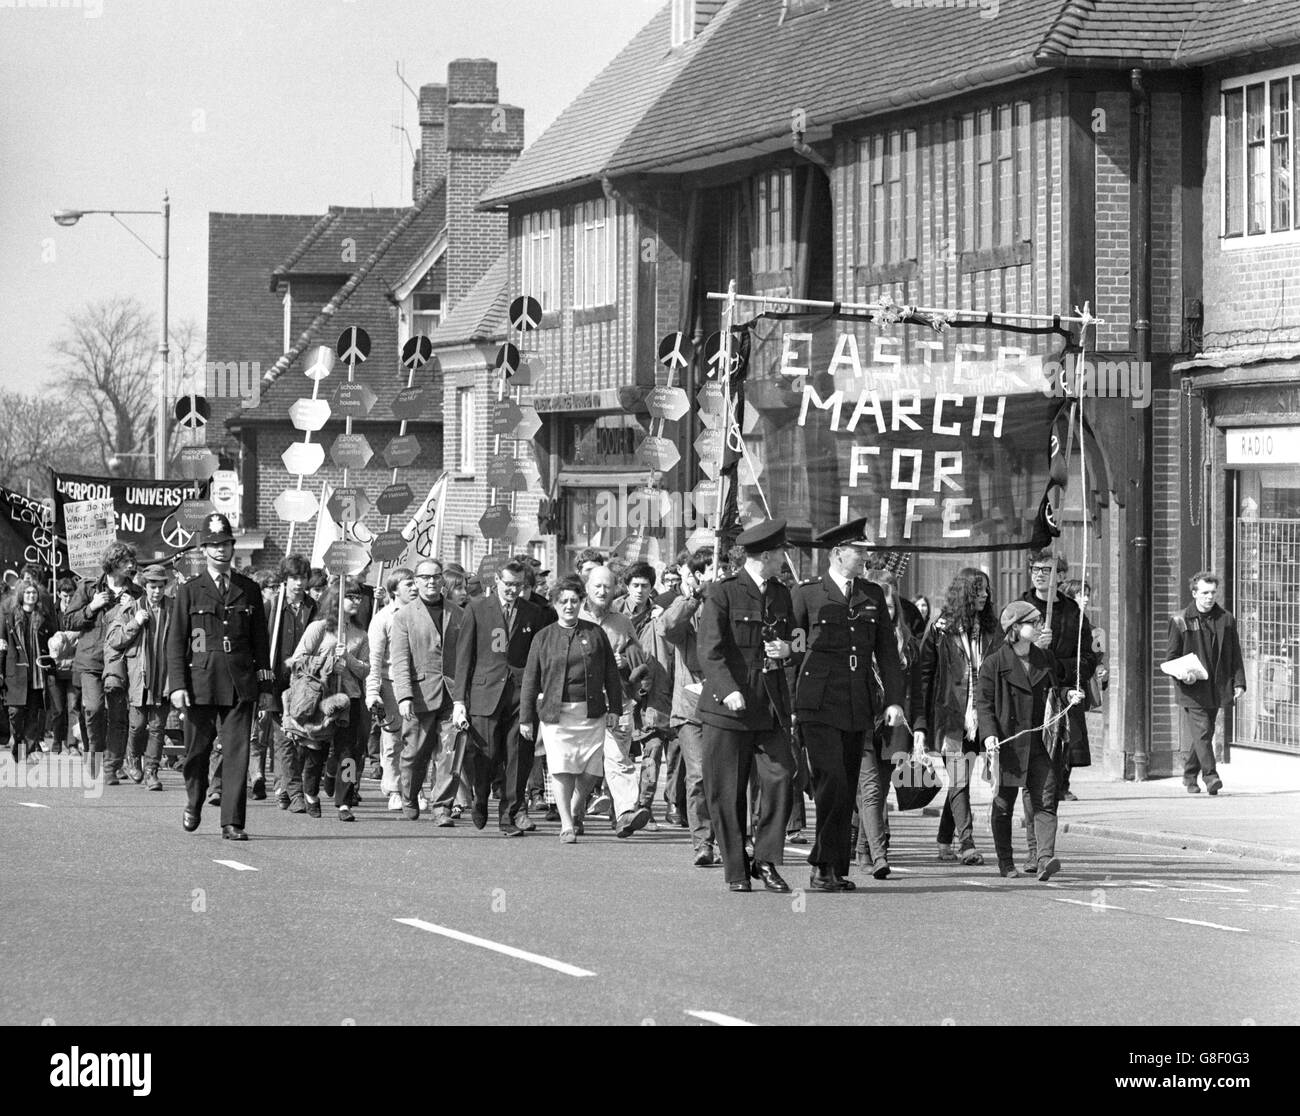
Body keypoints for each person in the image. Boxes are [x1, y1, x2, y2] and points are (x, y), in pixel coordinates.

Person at [791, 519, 905, 892]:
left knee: (847, 786)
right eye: (860, 551)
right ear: (839, 554)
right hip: (817, 704)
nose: (866, 557)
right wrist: (789, 702)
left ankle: (834, 868)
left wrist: (893, 701)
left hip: (857, 704)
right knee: (832, 783)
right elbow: (792, 653)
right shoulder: (806, 595)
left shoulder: (871, 595)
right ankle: (822, 862)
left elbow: (887, 653)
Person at [696, 518, 797, 894]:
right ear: (766, 556)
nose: (785, 559)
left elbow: (792, 639)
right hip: (729, 707)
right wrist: (727, 689)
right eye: (781, 553)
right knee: (727, 790)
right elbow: (710, 650)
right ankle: (737, 867)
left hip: (768, 704)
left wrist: (788, 649)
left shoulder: (781, 594)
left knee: (781, 776)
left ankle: (767, 859)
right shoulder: (723, 592)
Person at [167, 514, 273, 839]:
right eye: (214, 545)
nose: (221, 551)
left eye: (225, 544)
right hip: (200, 683)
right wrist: (177, 686)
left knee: (237, 753)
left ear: (232, 546)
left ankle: (232, 822)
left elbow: (260, 643)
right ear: (204, 550)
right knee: (197, 752)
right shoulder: (189, 591)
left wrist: (266, 687)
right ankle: (194, 801)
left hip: (240, 684)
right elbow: (176, 641)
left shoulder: (249, 589)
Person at [977, 600, 1085, 880]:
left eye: (1039, 622)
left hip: (1040, 742)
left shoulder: (1044, 658)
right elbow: (984, 704)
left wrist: (1067, 695)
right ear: (1015, 628)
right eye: (1033, 623)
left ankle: (1045, 857)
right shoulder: (994, 663)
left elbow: (1054, 691)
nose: (1040, 627)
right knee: (1003, 805)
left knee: (1046, 799)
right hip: (1007, 744)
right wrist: (989, 736)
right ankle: (1005, 862)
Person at [520, 576, 624, 843]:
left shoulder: (595, 633)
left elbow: (611, 674)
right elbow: (530, 679)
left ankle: (577, 808)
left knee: (592, 771)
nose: (569, 606)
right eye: (563, 601)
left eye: (574, 601)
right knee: (561, 768)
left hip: (591, 713)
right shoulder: (543, 637)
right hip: (556, 715)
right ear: (555, 604)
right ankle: (567, 823)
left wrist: (615, 708)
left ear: (581, 603)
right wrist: (526, 719)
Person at [452, 560, 548, 836]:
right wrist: (460, 701)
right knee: (486, 754)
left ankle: (509, 814)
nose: (513, 590)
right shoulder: (477, 609)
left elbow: (538, 657)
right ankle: (480, 796)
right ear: (496, 581)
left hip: (520, 695)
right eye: (508, 584)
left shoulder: (534, 613)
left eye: (519, 586)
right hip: (485, 693)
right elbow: (464, 658)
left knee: (519, 754)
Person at [913, 567, 998, 866]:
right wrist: (920, 723)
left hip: (981, 715)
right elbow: (924, 675)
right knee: (960, 779)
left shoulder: (992, 629)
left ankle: (942, 840)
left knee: (958, 780)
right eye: (978, 590)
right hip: (951, 716)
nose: (985, 596)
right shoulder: (941, 629)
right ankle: (967, 843)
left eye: (986, 590)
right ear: (965, 593)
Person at [286, 576, 371, 821]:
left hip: (350, 698)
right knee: (317, 749)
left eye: (358, 597)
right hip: (322, 698)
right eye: (351, 596)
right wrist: (327, 664)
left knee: (349, 751)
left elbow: (366, 669)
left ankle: (344, 801)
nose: (356, 601)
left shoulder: (360, 634)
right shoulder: (319, 628)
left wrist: (350, 662)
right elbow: (297, 660)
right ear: (337, 598)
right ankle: (311, 792)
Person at [856, 567, 921, 875]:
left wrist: (919, 729)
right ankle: (880, 856)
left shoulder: (907, 644)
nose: (886, 611)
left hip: (894, 728)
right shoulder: (859, 641)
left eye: (891, 606)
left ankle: (862, 850)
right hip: (863, 722)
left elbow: (916, 691)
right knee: (869, 790)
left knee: (880, 791)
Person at [582, 565, 652, 838]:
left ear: (615, 590)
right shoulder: (573, 615)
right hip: (579, 702)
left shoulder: (622, 623)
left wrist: (624, 663)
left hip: (616, 700)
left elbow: (639, 660)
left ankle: (625, 813)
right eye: (597, 586)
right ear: (587, 587)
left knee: (618, 758)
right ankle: (573, 812)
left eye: (607, 586)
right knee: (582, 764)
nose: (602, 591)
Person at [390, 559, 462, 823]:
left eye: (435, 577)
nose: (431, 582)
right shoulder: (404, 616)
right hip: (420, 693)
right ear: (417, 581)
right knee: (414, 753)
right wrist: (404, 696)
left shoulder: (458, 613)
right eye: (425, 578)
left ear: (442, 580)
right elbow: (399, 659)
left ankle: (442, 807)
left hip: (452, 694)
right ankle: (409, 795)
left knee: (451, 752)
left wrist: (464, 696)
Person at [659, 547, 718, 865]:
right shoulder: (687, 605)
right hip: (690, 709)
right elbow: (668, 628)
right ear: (696, 575)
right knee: (697, 774)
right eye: (708, 570)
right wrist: (694, 595)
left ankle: (732, 838)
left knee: (725, 775)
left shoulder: (732, 600)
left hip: (726, 705)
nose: (715, 575)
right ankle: (703, 843)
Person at [1022, 550, 1096, 802]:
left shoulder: (1073, 613)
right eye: (1035, 569)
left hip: (1061, 692)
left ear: (1060, 575)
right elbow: (1003, 654)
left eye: (1047, 570)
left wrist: (1065, 669)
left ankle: (1057, 789)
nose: (1039, 575)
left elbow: (1087, 655)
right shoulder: (1020, 608)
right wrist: (1034, 648)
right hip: (1029, 694)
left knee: (1061, 750)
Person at [65, 542, 142, 784]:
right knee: (94, 709)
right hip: (91, 659)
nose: (130, 565)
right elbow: (69, 621)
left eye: (132, 560)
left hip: (120, 661)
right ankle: (94, 757)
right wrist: (92, 607)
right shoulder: (88, 588)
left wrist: (133, 609)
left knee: (118, 715)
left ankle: (111, 767)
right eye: (124, 561)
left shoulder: (137, 593)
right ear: (112, 564)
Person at [1165, 571, 1245, 796]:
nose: (1210, 597)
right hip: (1191, 686)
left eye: (1213, 593)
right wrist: (1183, 675)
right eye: (1205, 593)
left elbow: (1235, 654)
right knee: (1202, 731)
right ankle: (1211, 777)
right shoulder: (1180, 620)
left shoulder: (1226, 618)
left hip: (1216, 686)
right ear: (1194, 593)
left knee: (1205, 733)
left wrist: (1238, 682)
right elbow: (1171, 658)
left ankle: (1189, 774)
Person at [105, 564, 173, 790]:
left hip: (164, 677)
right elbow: (114, 639)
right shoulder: (132, 608)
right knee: (137, 725)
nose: (157, 591)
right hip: (138, 677)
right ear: (145, 586)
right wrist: (135, 623)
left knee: (157, 727)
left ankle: (152, 771)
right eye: (153, 586)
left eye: (161, 587)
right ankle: (133, 759)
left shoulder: (173, 609)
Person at [266, 555, 317, 810]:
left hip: (305, 684)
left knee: (301, 739)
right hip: (278, 683)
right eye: (293, 578)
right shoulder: (273, 608)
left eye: (302, 578)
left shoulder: (314, 608)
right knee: (284, 737)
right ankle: (295, 793)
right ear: (284, 580)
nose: (298, 583)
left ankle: (284, 786)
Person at [367, 566, 416, 811]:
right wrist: (373, 692)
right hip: (391, 685)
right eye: (409, 584)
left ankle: (413, 788)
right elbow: (375, 660)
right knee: (393, 739)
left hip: (419, 684)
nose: (415, 588)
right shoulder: (383, 618)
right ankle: (394, 789)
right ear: (395, 590)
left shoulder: (422, 615)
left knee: (417, 740)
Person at [2, 581, 54, 762]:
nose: (31, 596)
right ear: (21, 595)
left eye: (34, 593)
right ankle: (18, 742)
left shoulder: (44, 616)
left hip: (37, 672)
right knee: (15, 713)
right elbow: (2, 643)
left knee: (33, 713)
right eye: (28, 593)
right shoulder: (9, 617)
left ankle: (29, 750)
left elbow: (52, 640)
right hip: (15, 671)